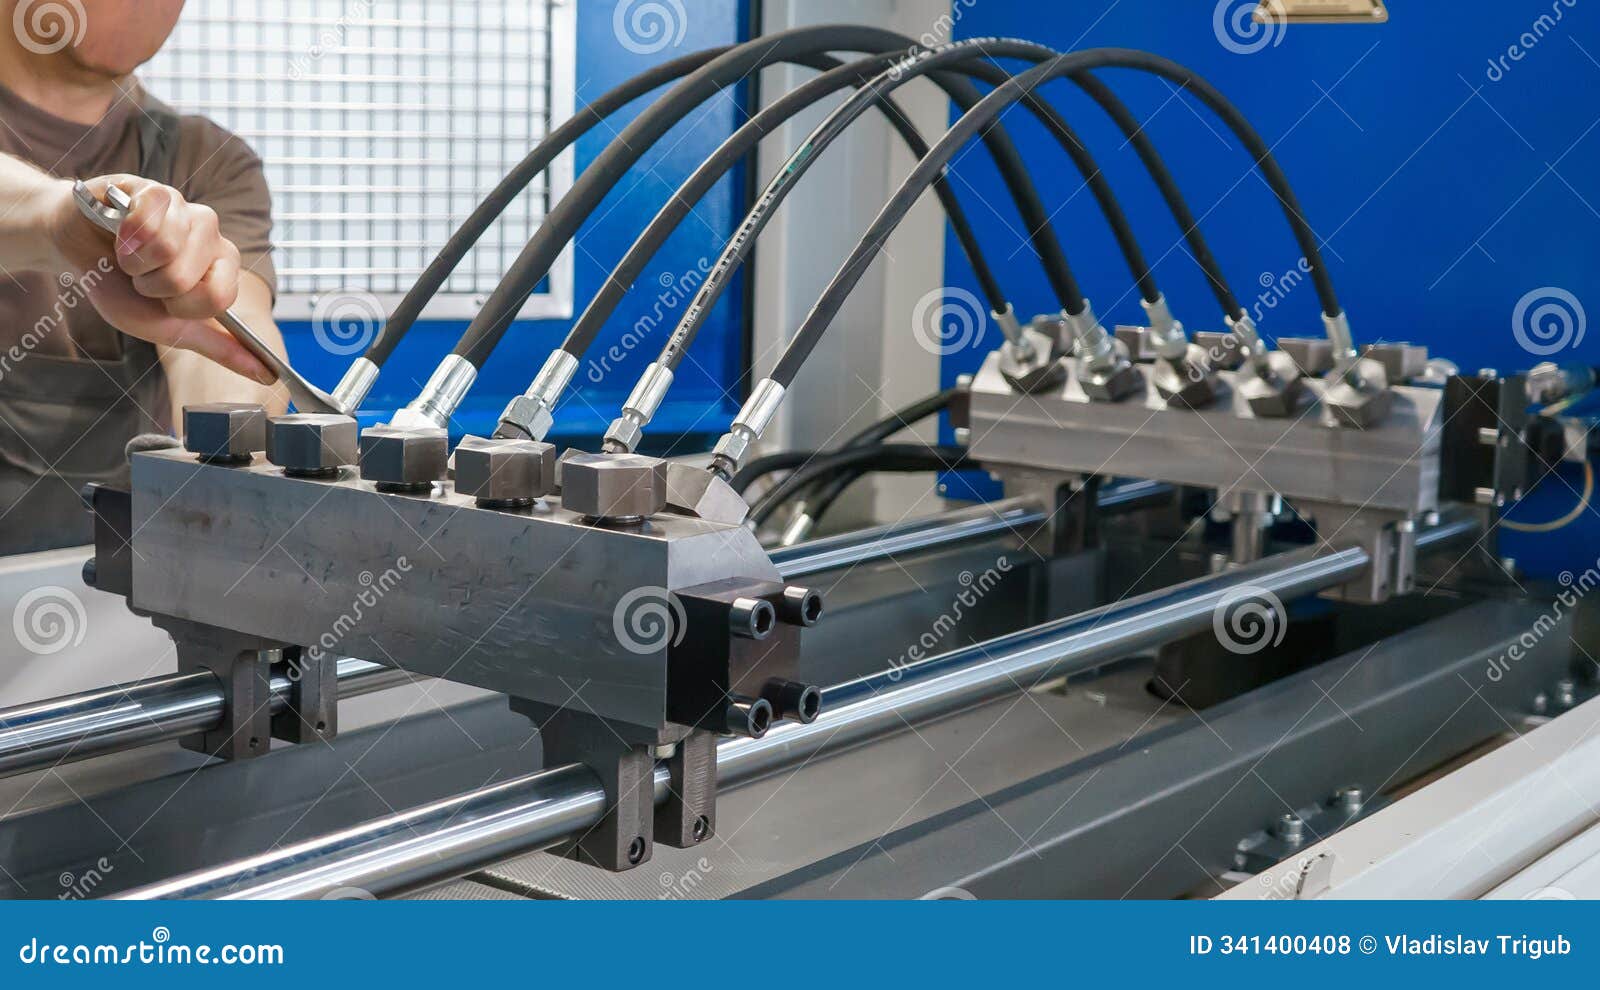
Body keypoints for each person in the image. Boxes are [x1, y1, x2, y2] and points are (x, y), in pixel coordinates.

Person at [0, 0, 287, 555]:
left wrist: (223, 452)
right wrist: (58, 220)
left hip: (115, 580)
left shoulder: (206, 161)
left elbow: (230, 342)